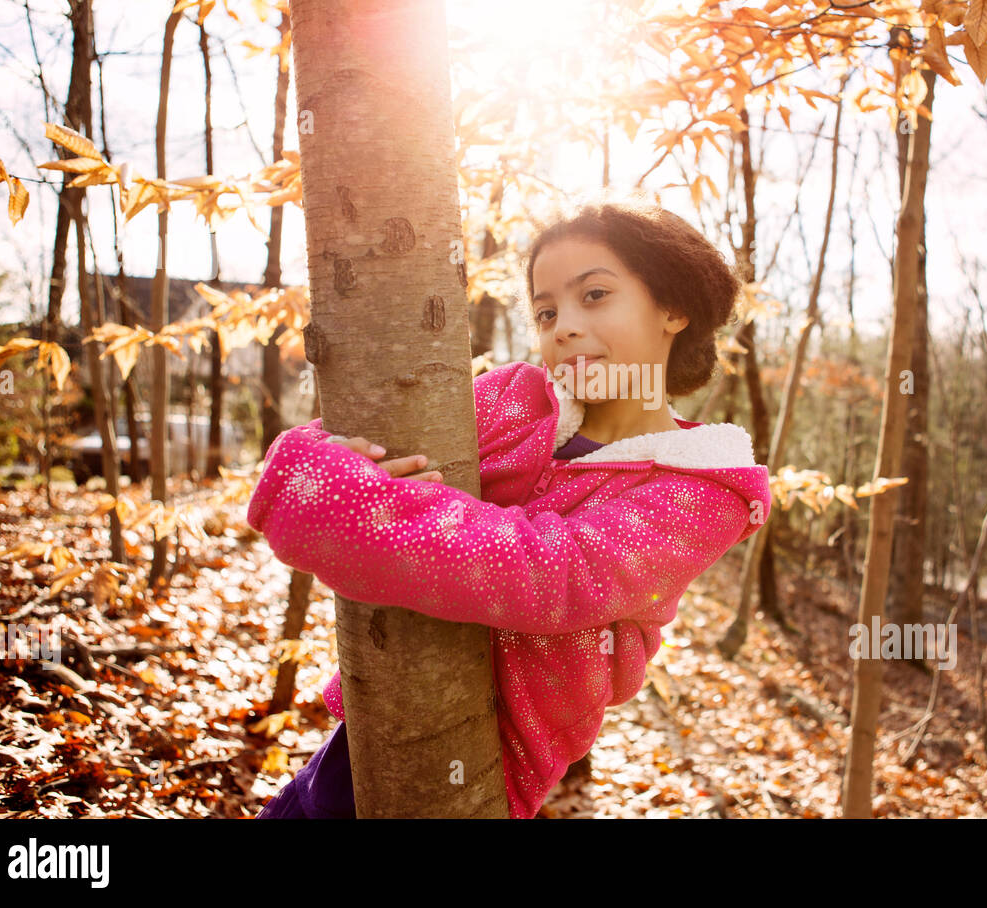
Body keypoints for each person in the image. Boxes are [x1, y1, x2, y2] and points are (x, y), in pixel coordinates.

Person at [248, 195, 771, 818]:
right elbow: (335, 448)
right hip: (380, 707)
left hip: (486, 766)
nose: (564, 327)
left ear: (673, 307)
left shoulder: (706, 489)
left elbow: (555, 574)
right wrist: (319, 474)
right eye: (546, 311)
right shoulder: (513, 400)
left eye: (595, 295)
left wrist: (348, 505)